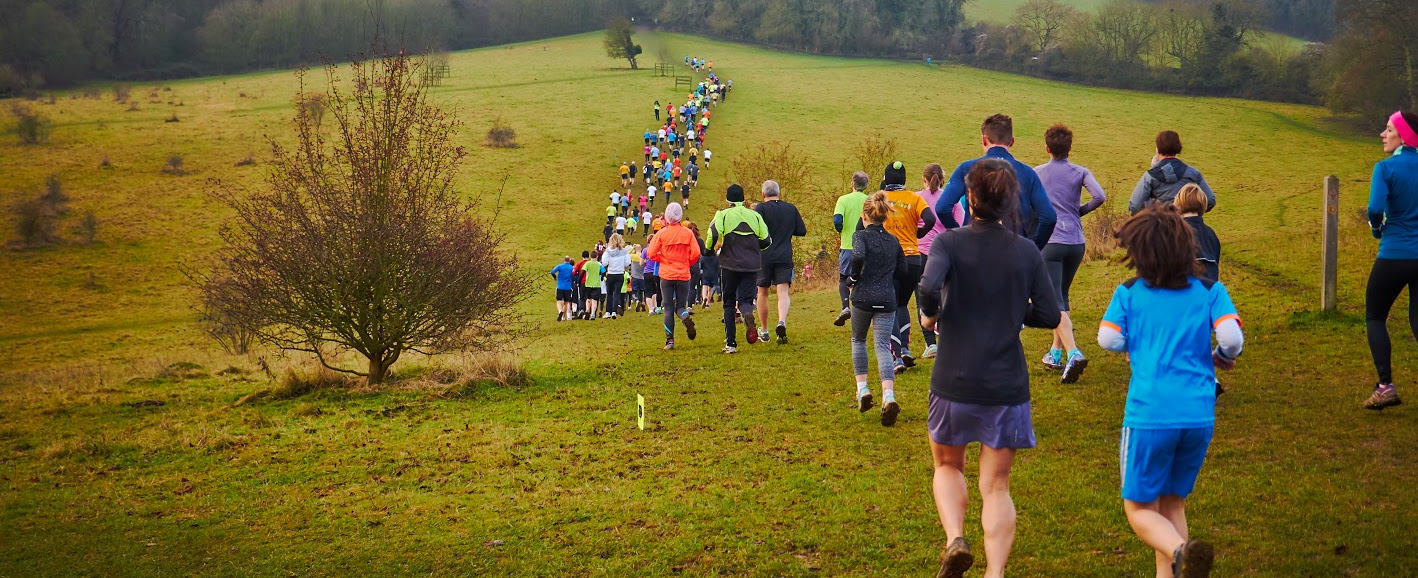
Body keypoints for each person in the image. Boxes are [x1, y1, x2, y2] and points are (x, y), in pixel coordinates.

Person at [918, 159, 1061, 578]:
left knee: (947, 466)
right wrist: (1018, 313)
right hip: (1006, 383)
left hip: (953, 379)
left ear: (970, 198)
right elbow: (1051, 314)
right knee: (997, 486)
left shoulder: (948, 244)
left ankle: (955, 539)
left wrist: (932, 314)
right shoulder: (1026, 251)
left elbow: (927, 287)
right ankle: (995, 573)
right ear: (1010, 201)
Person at [1098, 206, 1243, 578]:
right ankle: (1179, 561)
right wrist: (1221, 356)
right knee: (1173, 504)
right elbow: (1231, 338)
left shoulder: (1129, 293)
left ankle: (1180, 550)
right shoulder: (1210, 290)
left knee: (1140, 509)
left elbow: (1108, 338)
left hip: (1149, 414)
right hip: (1197, 414)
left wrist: (1133, 345)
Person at [1035, 123, 1107, 383]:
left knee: (1054, 301)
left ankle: (1073, 352)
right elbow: (1100, 196)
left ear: (1047, 148)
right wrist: (1082, 210)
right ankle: (1055, 353)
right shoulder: (1080, 171)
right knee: (1061, 297)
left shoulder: (1038, 173)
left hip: (1051, 242)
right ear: (1069, 148)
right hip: (1076, 242)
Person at [1363, 109, 1418, 410]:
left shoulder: (1385, 168)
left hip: (1395, 252)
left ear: (1403, 136)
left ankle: (1385, 385)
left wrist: (1377, 228)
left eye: (1388, 129)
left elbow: (1374, 208)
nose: (1382, 135)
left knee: (1375, 315)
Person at [937, 114, 1058, 251]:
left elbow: (942, 207)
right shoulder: (1027, 173)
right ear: (1011, 142)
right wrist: (1033, 247)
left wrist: (960, 236)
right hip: (1014, 248)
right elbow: (1049, 217)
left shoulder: (967, 168)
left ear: (984, 140)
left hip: (974, 246)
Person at [848, 192, 909, 426]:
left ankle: (862, 389)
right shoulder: (893, 240)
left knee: (859, 340)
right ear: (884, 216)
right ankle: (889, 395)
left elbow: (858, 256)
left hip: (863, 297)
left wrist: (854, 277)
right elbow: (903, 271)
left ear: (865, 216)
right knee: (883, 346)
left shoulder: (860, 236)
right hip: (886, 298)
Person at [880, 161, 937, 372]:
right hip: (913, 259)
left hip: (889, 259)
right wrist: (919, 233)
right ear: (904, 180)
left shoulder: (880, 198)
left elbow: (862, 226)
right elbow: (930, 219)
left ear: (886, 180)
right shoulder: (914, 198)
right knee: (902, 304)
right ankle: (905, 348)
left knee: (891, 307)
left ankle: (897, 357)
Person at [709, 184, 771, 353]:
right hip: (751, 264)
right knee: (745, 300)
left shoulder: (722, 214)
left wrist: (708, 250)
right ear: (743, 199)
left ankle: (731, 344)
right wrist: (753, 249)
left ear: (728, 199)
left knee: (728, 303)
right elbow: (766, 240)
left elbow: (713, 233)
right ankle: (748, 315)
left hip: (729, 263)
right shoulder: (754, 215)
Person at [914, 163, 963, 360]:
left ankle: (930, 343)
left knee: (922, 296)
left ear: (924, 179)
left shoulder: (916, 198)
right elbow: (959, 225)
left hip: (921, 252)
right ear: (942, 179)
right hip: (945, 252)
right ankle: (947, 341)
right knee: (945, 296)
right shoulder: (951, 200)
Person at [755, 180, 808, 344]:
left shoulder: (760, 208)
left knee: (762, 293)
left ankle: (764, 330)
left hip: (764, 256)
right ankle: (781, 321)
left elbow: (755, 231)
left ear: (764, 194)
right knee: (782, 292)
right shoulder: (790, 208)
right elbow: (801, 230)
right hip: (784, 255)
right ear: (779, 192)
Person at [648, 203, 701, 350]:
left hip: (666, 274)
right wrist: (686, 261)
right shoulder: (688, 233)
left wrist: (662, 258)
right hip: (683, 274)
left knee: (668, 308)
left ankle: (670, 341)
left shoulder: (661, 234)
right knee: (681, 306)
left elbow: (651, 254)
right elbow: (696, 253)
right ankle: (684, 316)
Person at [1129, 130, 1216, 215]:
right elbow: (1210, 200)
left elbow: (1135, 207)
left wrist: (1158, 209)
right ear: (1178, 147)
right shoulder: (1193, 173)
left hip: (1161, 226)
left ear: (1157, 149)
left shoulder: (1150, 176)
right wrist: (1190, 212)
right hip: (1187, 226)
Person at [833, 172, 871, 326]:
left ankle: (845, 307)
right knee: (863, 279)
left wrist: (841, 229)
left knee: (844, 278)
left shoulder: (843, 200)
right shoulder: (869, 200)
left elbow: (837, 220)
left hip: (848, 245)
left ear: (852, 184)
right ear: (866, 185)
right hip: (867, 246)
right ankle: (862, 312)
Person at [1176, 184, 1219, 282]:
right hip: (1208, 292)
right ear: (1203, 203)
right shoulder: (1210, 234)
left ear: (1179, 203)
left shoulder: (1174, 233)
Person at [602, 235, 630, 319]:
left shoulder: (607, 251)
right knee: (617, 293)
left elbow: (604, 262)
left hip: (611, 273)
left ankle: (608, 312)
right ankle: (614, 311)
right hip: (620, 274)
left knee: (609, 293)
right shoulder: (624, 251)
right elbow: (627, 263)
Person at [551, 256, 575, 321]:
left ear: (563, 260)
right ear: (569, 260)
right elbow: (574, 275)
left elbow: (552, 272)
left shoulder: (560, 266)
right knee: (566, 303)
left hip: (560, 286)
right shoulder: (571, 267)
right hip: (568, 287)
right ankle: (563, 317)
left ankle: (560, 311)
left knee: (558, 301)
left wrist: (555, 277)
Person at [581, 252, 604, 320]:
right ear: (597, 256)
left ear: (590, 256)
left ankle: (587, 310)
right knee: (594, 300)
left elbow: (583, 272)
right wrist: (601, 277)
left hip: (588, 283)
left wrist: (579, 281)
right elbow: (604, 272)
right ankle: (593, 313)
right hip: (596, 284)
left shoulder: (587, 263)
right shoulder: (599, 264)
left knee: (588, 298)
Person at [629, 244, 646, 312]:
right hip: (642, 277)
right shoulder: (643, 257)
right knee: (641, 292)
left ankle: (636, 300)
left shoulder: (633, 256)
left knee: (634, 291)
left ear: (635, 249)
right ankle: (642, 303)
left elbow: (627, 254)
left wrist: (632, 249)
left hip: (634, 276)